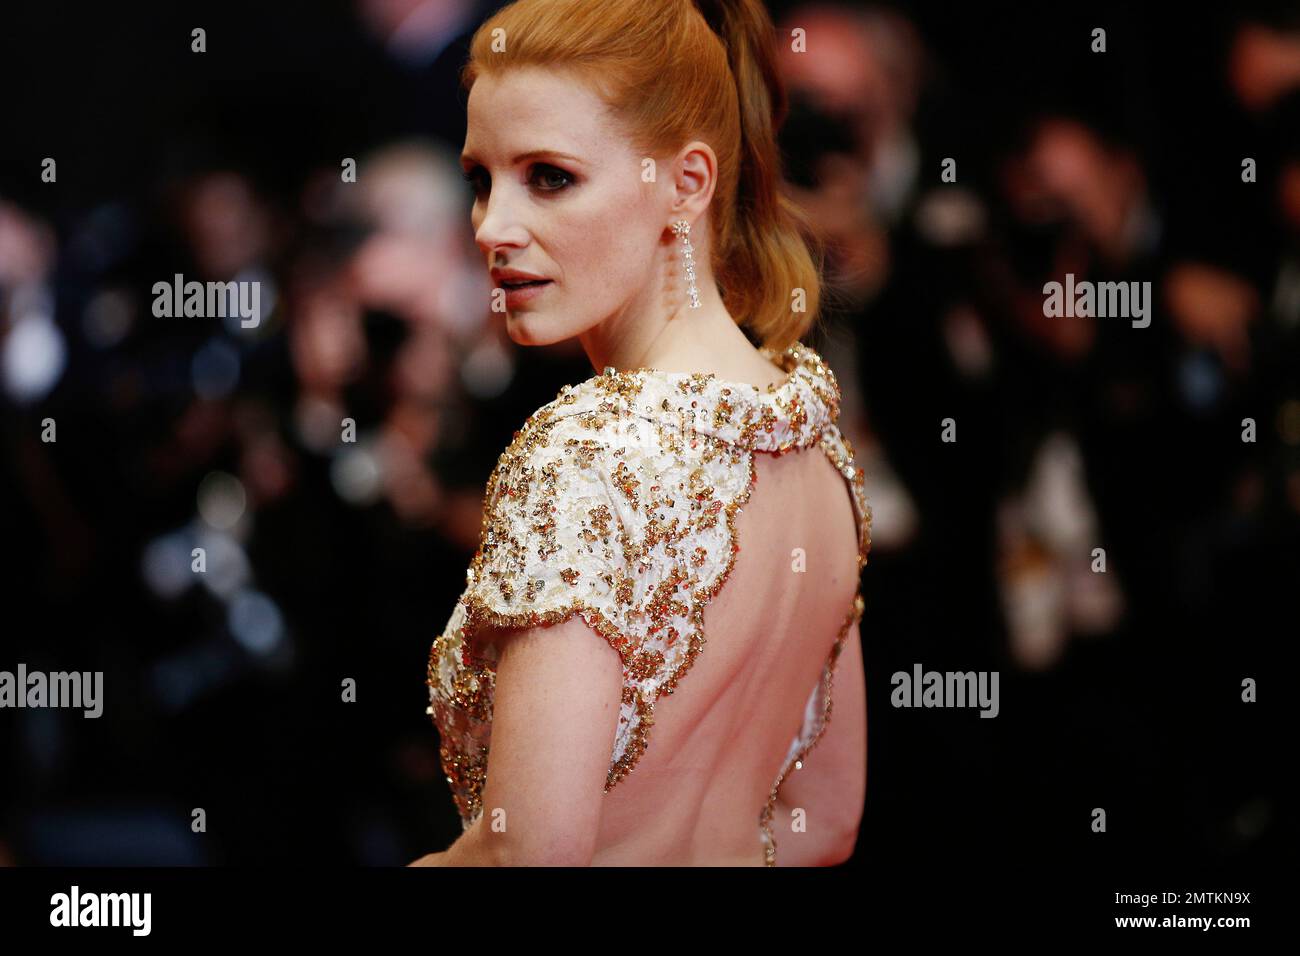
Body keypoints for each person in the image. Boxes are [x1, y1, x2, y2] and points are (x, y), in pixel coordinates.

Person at [409, 0, 871, 867]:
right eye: (481, 179)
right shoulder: (812, 439)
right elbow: (828, 818)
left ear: (688, 183)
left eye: (549, 176)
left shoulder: (587, 456)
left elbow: (528, 857)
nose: (492, 227)